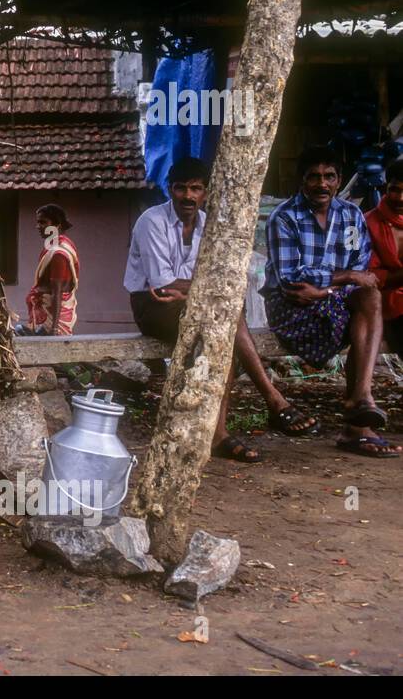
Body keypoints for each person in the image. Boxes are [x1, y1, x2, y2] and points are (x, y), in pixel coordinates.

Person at [124, 157, 317, 463]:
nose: (188, 196)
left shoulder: (210, 226)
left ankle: (220, 434)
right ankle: (271, 399)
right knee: (223, 314)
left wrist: (194, 291)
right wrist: (204, 288)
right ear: (170, 190)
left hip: (197, 304)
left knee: (222, 329)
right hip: (153, 308)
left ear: (205, 192)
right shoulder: (151, 221)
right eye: (181, 188)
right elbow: (162, 285)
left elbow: (224, 278)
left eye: (196, 189)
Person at [263, 146, 397, 457]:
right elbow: (290, 279)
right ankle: (357, 423)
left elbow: (361, 272)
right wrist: (344, 279)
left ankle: (361, 399)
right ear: (302, 181)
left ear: (338, 181)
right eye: (313, 177)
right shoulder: (284, 218)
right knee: (362, 303)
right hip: (293, 310)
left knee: (370, 296)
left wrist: (326, 288)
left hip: (331, 301)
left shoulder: (350, 216)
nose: (321, 184)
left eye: (329, 176)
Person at [365, 158, 403, 355]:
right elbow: (369, 275)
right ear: (385, 188)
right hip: (386, 302)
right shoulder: (368, 222)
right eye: (395, 189)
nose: (401, 198)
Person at [23, 204, 79, 335]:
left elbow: (57, 292)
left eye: (43, 222)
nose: (38, 226)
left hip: (53, 323)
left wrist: (54, 329)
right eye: (38, 222)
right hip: (49, 320)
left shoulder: (58, 254)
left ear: (57, 225)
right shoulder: (52, 249)